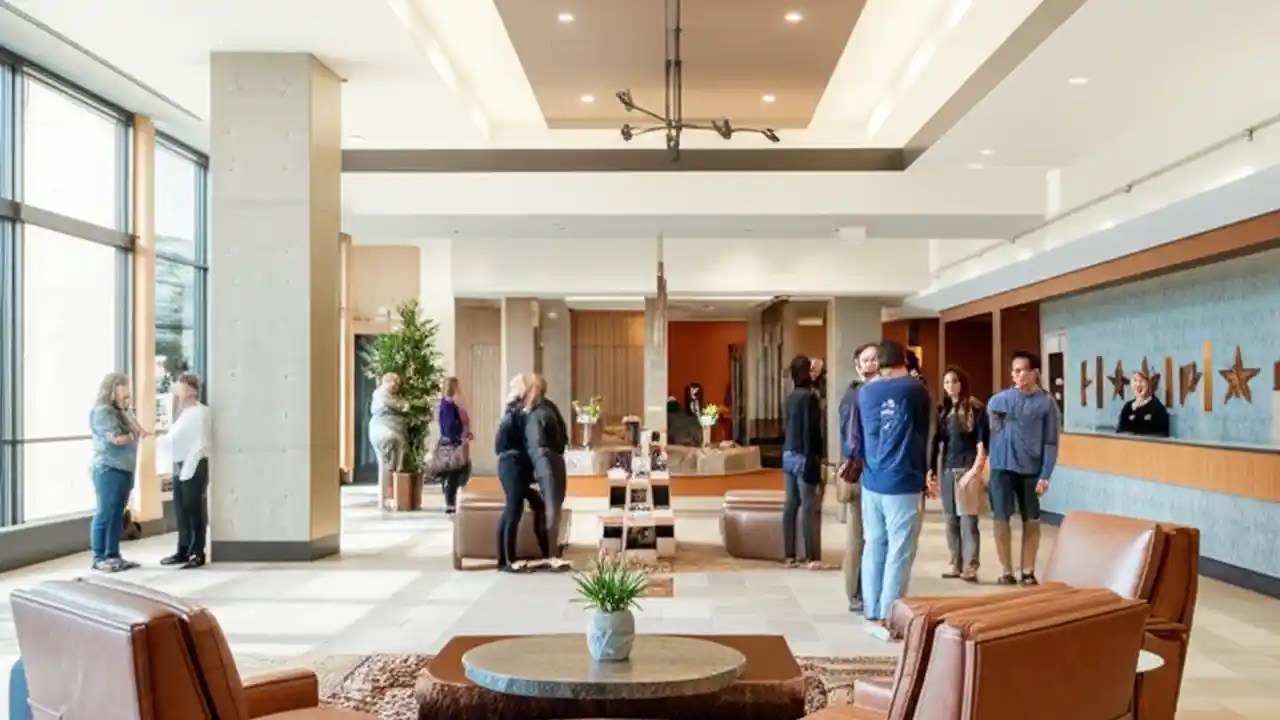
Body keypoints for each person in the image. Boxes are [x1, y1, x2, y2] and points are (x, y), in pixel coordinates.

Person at [853, 340, 932, 637]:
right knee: (899, 550)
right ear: (905, 360)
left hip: (872, 481)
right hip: (903, 481)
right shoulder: (915, 389)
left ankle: (872, 611)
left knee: (874, 546)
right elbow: (924, 432)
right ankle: (890, 615)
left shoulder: (866, 392)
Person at [987, 350, 1061, 586]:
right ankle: (1006, 570)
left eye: (1021, 370)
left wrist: (1046, 474)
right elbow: (992, 424)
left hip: (1031, 468)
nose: (1017, 375)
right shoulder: (1000, 400)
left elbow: (1051, 442)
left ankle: (1027, 570)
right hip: (1002, 466)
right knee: (1001, 517)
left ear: (1035, 373)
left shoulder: (1046, 403)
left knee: (1032, 519)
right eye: (1014, 371)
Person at [927, 366, 989, 582]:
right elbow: (936, 442)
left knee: (968, 520)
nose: (950, 386)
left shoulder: (974, 409)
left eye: (953, 381)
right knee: (950, 519)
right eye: (946, 382)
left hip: (966, 469)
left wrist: (973, 472)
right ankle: (955, 562)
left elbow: (982, 445)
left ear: (962, 383)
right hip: (947, 468)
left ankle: (971, 565)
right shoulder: (944, 410)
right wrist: (932, 471)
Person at [88, 373, 146, 572]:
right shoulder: (102, 412)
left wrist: (127, 409)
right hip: (108, 468)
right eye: (122, 386)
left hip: (125, 468)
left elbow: (140, 430)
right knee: (105, 511)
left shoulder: (123, 411)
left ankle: (113, 554)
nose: (126, 390)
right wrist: (132, 434)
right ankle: (99, 555)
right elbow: (116, 439)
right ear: (112, 389)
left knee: (117, 513)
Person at [837, 342, 879, 612]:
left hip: (868, 471)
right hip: (861, 471)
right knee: (859, 536)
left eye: (876, 359)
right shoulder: (857, 395)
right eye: (867, 359)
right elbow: (852, 438)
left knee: (865, 534)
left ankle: (863, 591)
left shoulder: (864, 393)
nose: (872, 363)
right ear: (858, 366)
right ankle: (857, 592)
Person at [496, 374, 550, 572]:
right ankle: (507, 560)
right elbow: (503, 443)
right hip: (512, 465)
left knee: (528, 506)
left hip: (517, 465)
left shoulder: (518, 411)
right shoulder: (517, 413)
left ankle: (508, 559)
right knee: (513, 509)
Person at [160, 372, 212, 569]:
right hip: (180, 464)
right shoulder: (181, 412)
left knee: (194, 508)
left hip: (195, 463)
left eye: (181, 386)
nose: (177, 390)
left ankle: (196, 552)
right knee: (181, 508)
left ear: (192, 390)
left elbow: (198, 440)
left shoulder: (201, 412)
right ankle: (182, 549)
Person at [781, 355, 824, 568]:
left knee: (790, 504)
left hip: (788, 454)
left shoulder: (789, 398)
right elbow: (812, 431)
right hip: (804, 455)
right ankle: (811, 556)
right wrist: (815, 459)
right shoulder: (810, 397)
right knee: (808, 506)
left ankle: (789, 554)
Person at [524, 374, 571, 569]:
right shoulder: (549, 408)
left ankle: (550, 552)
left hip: (541, 462)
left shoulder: (531, 412)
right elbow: (563, 437)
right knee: (554, 506)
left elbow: (533, 442)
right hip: (554, 461)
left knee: (550, 507)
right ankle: (551, 550)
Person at [368, 372, 408, 511]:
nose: (396, 386)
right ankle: (384, 498)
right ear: (386, 382)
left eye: (397, 383)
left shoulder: (394, 396)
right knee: (386, 466)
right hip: (384, 431)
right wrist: (401, 406)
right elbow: (393, 405)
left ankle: (390, 497)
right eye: (393, 383)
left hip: (392, 430)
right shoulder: (381, 394)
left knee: (390, 465)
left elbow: (403, 405)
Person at [438, 376, 473, 514]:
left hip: (450, 442)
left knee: (456, 471)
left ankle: (451, 499)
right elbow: (450, 425)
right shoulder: (448, 406)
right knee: (456, 471)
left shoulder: (447, 405)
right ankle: (450, 501)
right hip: (452, 443)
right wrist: (459, 437)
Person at [1117, 370, 1170, 437]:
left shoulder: (1158, 408)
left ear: (1149, 384)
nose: (1138, 384)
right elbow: (1119, 432)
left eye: (1141, 381)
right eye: (1135, 380)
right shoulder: (1127, 407)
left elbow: (1162, 435)